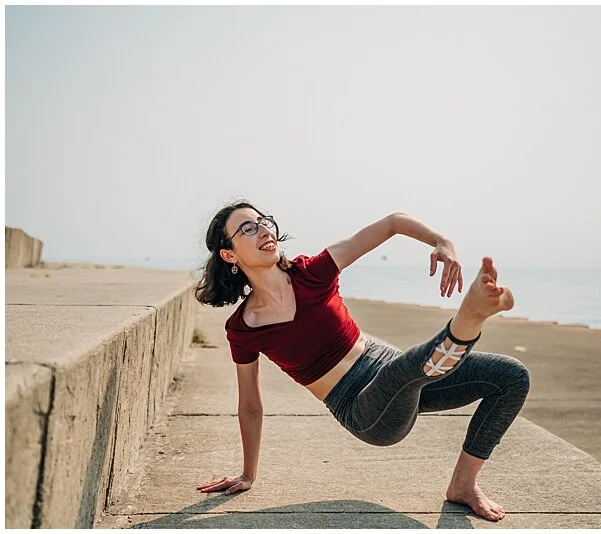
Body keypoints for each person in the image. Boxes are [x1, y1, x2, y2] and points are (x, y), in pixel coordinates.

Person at [192, 202, 527, 521]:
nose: (264, 230)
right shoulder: (243, 328)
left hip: (394, 368)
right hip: (363, 409)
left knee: (511, 377)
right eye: (248, 228)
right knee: (411, 368)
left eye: (265, 221)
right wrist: (248, 474)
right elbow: (250, 404)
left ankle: (463, 485)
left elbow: (393, 222)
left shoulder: (312, 273)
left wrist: (443, 242)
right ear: (229, 254)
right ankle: (470, 318)